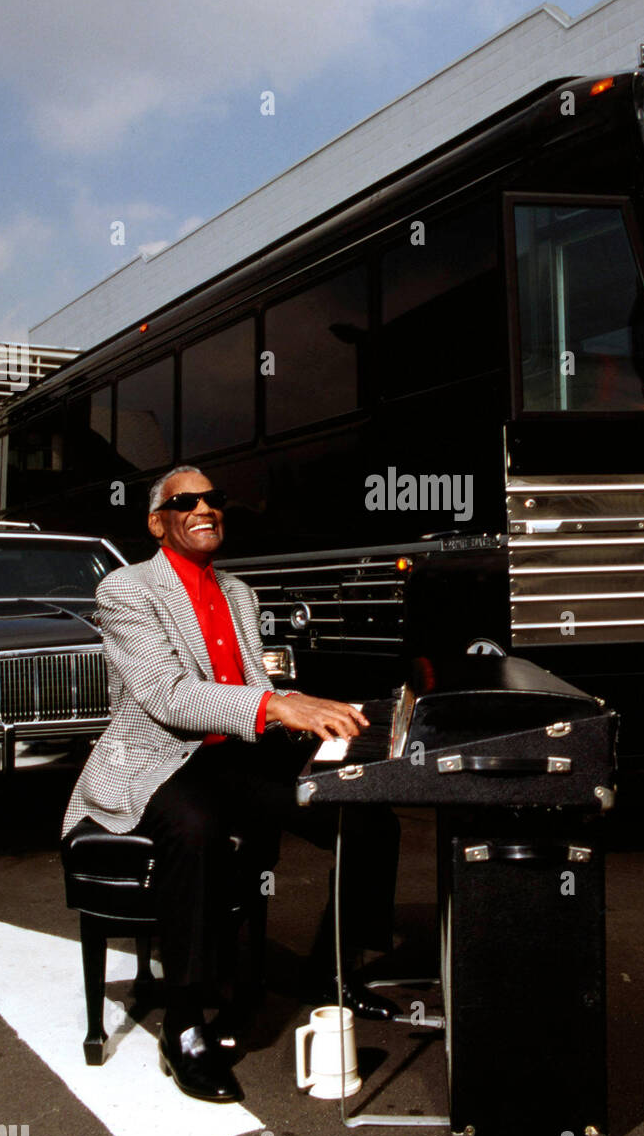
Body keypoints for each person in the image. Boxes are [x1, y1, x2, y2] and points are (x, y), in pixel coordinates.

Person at [62, 466, 399, 1103]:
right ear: (159, 522)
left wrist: (308, 706)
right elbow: (167, 697)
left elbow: (255, 687)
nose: (204, 508)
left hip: (233, 753)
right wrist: (276, 709)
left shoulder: (238, 592)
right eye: (184, 501)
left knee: (363, 810)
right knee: (198, 829)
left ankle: (330, 971)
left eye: (213, 498)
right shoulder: (126, 589)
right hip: (156, 758)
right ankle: (184, 1023)